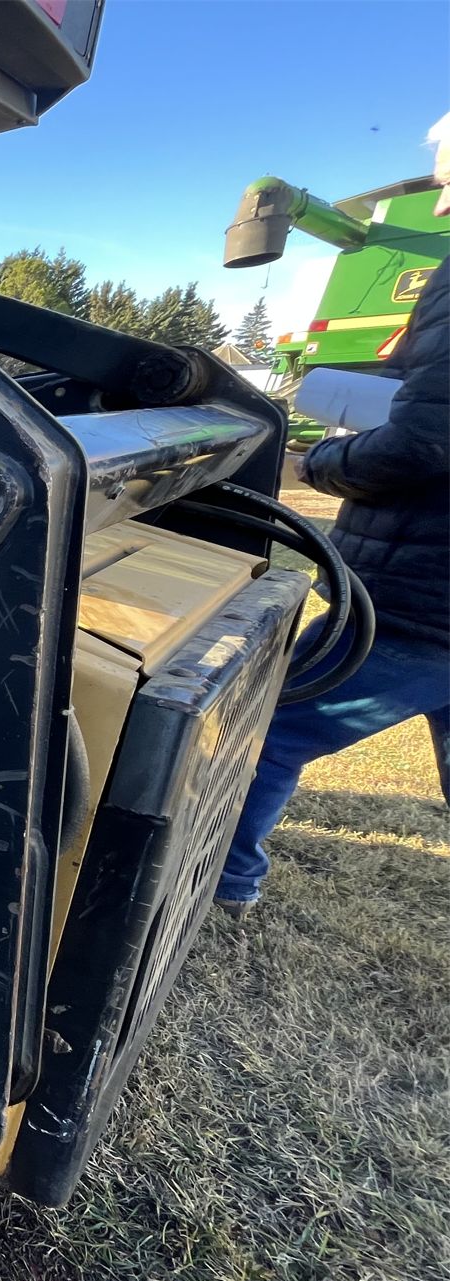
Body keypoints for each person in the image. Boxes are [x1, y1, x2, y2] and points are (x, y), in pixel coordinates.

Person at [216, 123, 450, 916]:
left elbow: (423, 444)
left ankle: (226, 882)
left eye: (443, 167)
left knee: (272, 731)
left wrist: (316, 464)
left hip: (424, 593)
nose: (437, 183)